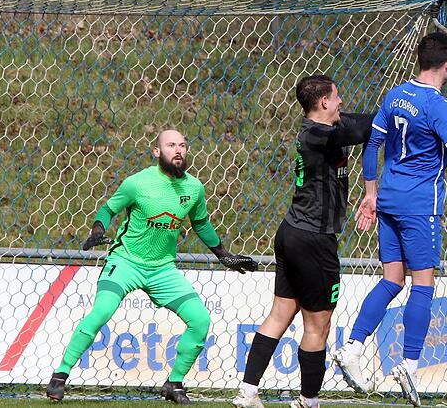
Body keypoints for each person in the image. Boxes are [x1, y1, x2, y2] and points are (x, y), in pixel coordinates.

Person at [332, 31, 447, 407]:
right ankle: (409, 366)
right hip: (421, 206)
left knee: (391, 279)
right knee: (423, 284)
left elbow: (372, 145)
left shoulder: (396, 94)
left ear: (420, 60)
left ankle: (352, 347)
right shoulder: (439, 107)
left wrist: (369, 193)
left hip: (387, 198)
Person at [46, 129, 257, 404]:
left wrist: (223, 254)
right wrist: (98, 228)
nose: (178, 150)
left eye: (182, 145)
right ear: (157, 152)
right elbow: (108, 210)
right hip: (125, 262)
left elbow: (201, 223)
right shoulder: (137, 183)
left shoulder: (194, 188)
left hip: (163, 270)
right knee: (101, 312)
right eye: (170, 145)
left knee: (200, 320)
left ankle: (174, 383)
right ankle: (59, 377)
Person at [231, 75, 375, 408]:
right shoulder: (317, 134)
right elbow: (357, 130)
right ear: (323, 102)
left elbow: (357, 125)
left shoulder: (324, 129)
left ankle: (248, 393)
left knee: (281, 312)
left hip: (293, 233)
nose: (341, 103)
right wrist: (393, 114)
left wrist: (382, 117)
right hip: (313, 239)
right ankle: (308, 402)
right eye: (337, 97)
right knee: (318, 324)